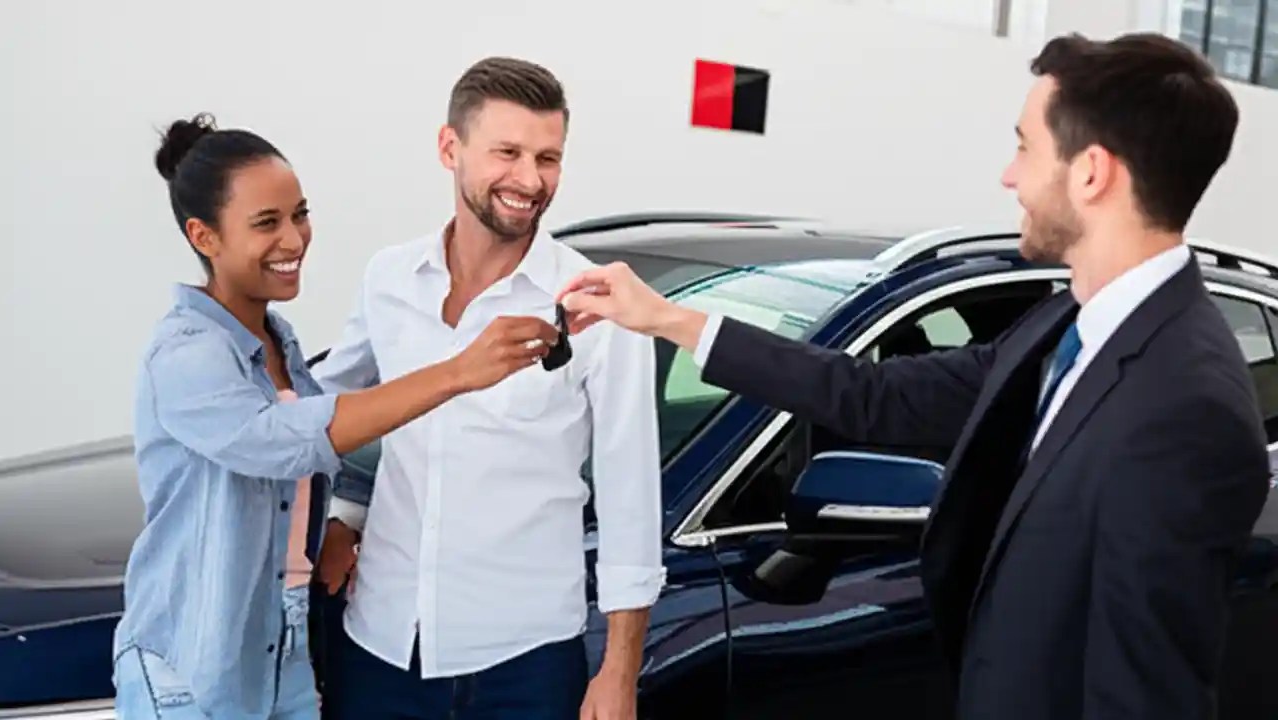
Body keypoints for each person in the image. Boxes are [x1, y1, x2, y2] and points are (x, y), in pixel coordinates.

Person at [557, 33, 1271, 720]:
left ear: (1091, 172)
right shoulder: (1062, 326)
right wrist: (670, 321)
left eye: (1025, 146)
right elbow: (871, 395)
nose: (1009, 175)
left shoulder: (1188, 406)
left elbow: (1144, 695)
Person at [112, 113, 560, 720]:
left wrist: (340, 521)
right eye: (266, 223)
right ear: (204, 236)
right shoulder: (187, 353)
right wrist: (459, 371)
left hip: (284, 662)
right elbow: (284, 442)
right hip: (194, 674)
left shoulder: (279, 341)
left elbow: (312, 461)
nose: (294, 240)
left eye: (299, 214)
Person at [309, 56, 663, 720]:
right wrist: (341, 514)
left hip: (523, 666)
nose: (530, 180)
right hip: (379, 644)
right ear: (451, 147)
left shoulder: (596, 307)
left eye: (548, 158)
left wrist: (620, 670)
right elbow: (326, 412)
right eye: (508, 152)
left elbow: (630, 503)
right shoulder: (389, 279)